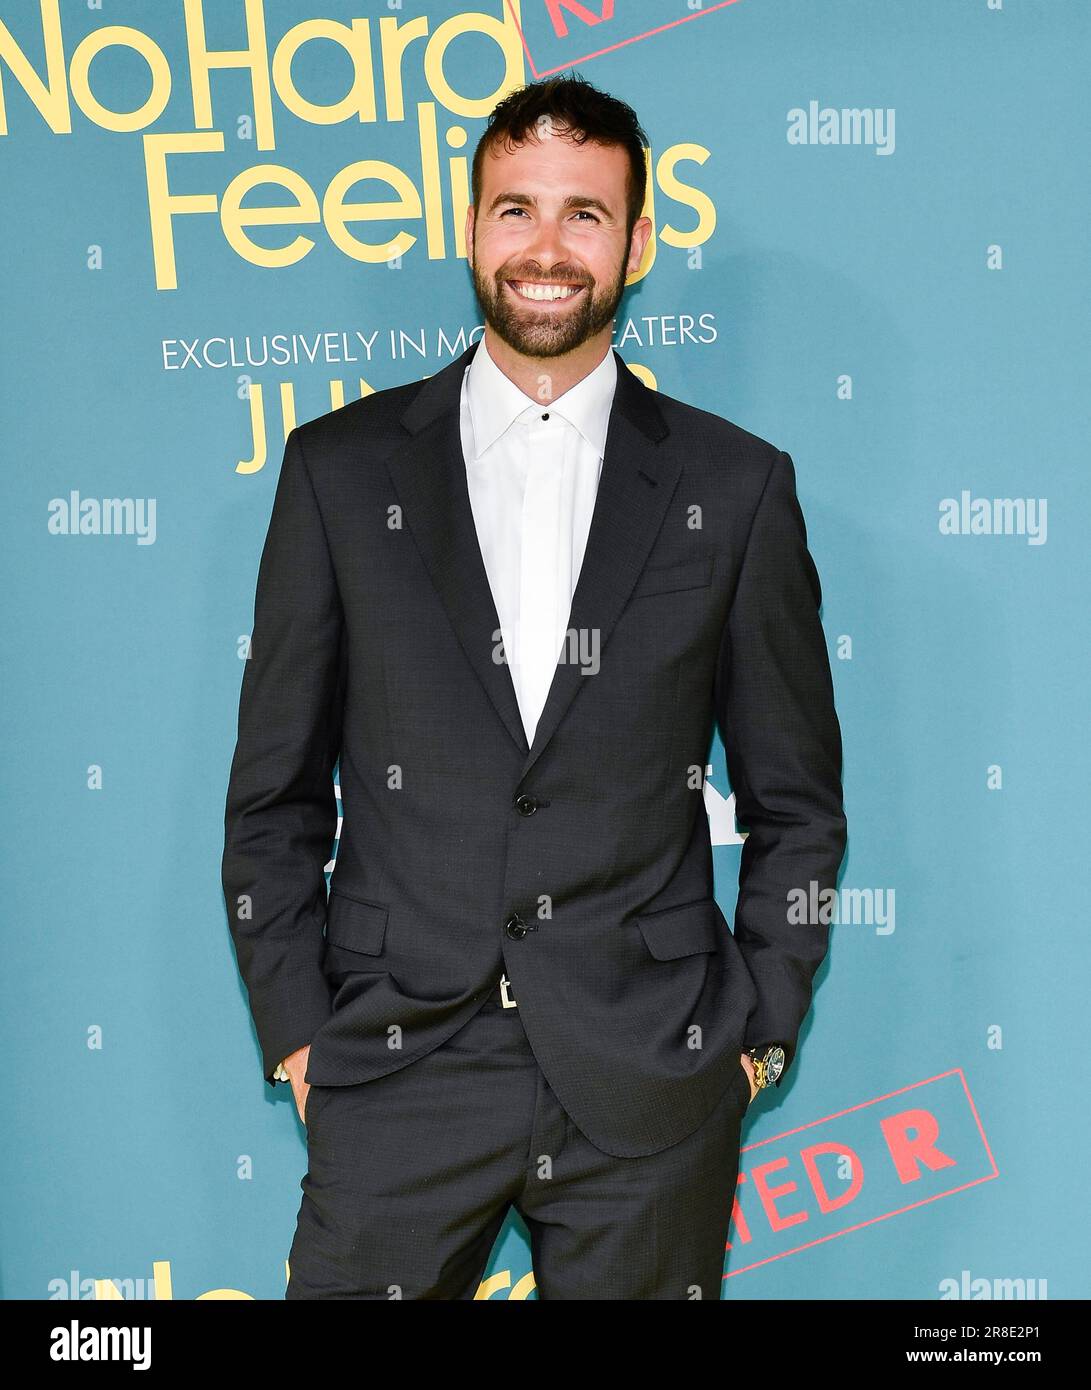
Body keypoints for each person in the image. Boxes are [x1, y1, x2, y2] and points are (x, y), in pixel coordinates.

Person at [221, 73, 847, 1301]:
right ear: (468, 228)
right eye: (515, 210)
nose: (546, 250)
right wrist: (300, 1034)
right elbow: (272, 798)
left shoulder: (737, 486)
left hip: (649, 1072)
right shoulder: (339, 473)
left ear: (639, 241)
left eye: (584, 214)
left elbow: (797, 804)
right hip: (397, 1068)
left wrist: (755, 1033)